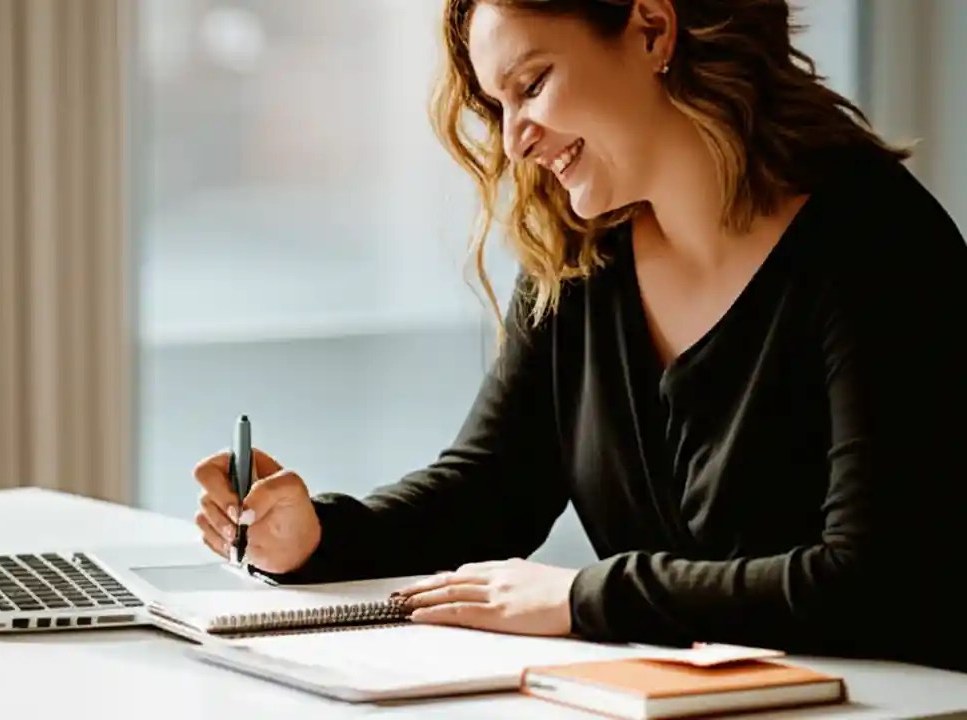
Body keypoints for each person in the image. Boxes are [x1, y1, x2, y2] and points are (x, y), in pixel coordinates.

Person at [193, 0, 967, 672]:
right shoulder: (582, 255)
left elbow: (874, 583)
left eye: (532, 85)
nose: (514, 141)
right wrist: (317, 537)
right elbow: (489, 489)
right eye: (498, 105)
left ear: (652, 29)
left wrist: (581, 599)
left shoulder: (877, 241)